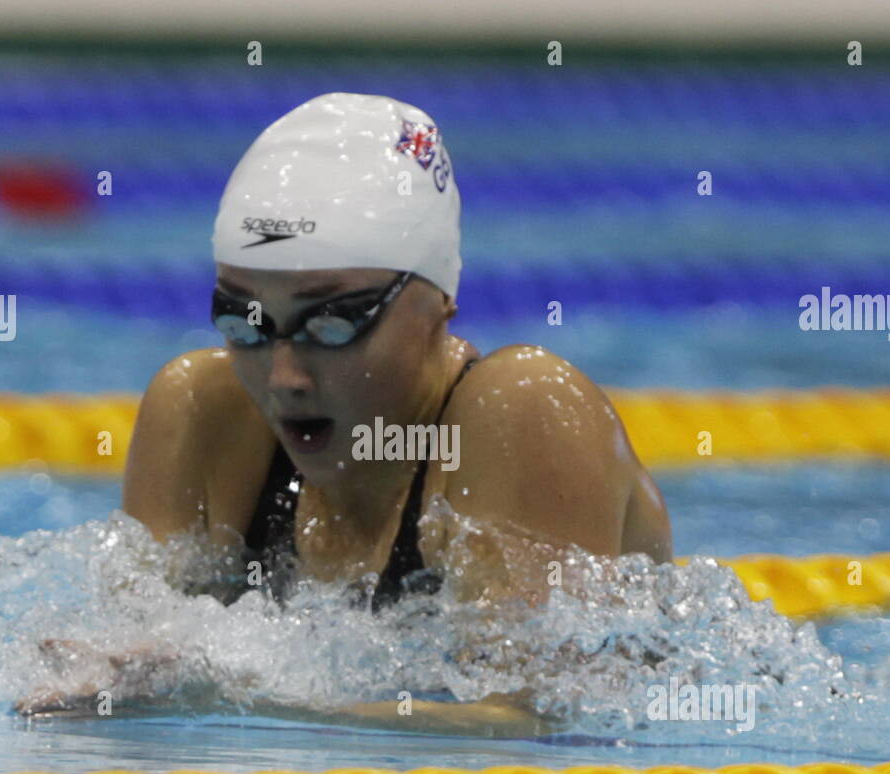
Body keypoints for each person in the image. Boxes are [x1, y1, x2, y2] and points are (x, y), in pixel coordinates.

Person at [60, 93, 671, 734]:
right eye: (246, 326)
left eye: (333, 325)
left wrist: (231, 700)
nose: (285, 376)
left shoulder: (521, 409)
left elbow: (536, 724)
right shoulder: (206, 413)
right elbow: (130, 679)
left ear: (438, 299)